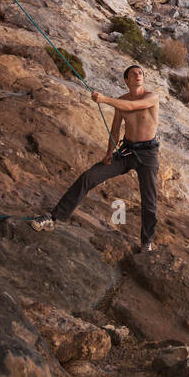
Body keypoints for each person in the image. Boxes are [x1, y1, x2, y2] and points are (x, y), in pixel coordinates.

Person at [31, 63, 161, 252]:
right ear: (126, 80)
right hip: (126, 151)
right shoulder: (121, 101)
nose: (138, 75)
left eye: (140, 72)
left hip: (148, 154)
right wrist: (109, 152)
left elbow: (133, 106)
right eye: (133, 73)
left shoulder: (151, 97)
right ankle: (53, 218)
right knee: (89, 177)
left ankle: (146, 243)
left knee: (149, 201)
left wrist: (105, 99)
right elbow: (115, 130)